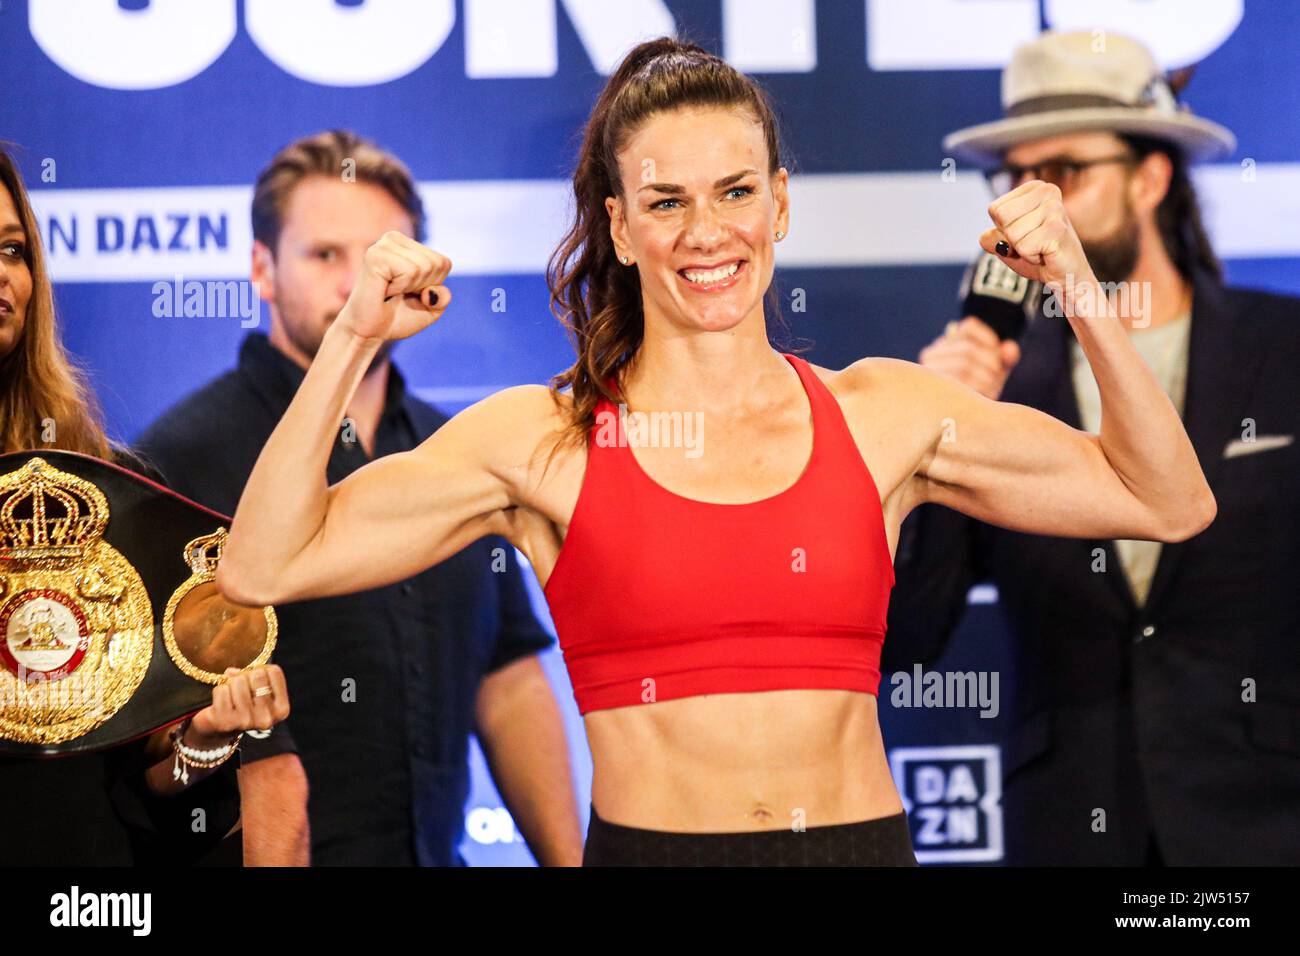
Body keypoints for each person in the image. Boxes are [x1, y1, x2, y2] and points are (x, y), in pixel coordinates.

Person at [215, 37, 1215, 867]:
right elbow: (267, 561)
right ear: (617, 222)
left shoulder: (885, 414)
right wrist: (350, 338)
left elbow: (1166, 498)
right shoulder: (541, 439)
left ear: (778, 203)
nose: (706, 233)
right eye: (665, 201)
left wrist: (1075, 285)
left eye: (734, 191)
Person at [885, 30, 1300, 865]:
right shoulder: (994, 382)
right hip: (1070, 822)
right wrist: (924, 456)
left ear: (1151, 176)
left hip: (1268, 819)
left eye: (1066, 173)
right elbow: (910, 636)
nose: (1035, 205)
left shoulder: (1285, 348)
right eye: (1017, 179)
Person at [137, 130, 582, 867]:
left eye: (380, 256)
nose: (357, 284)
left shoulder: (464, 452)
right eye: (325, 255)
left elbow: (506, 678)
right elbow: (144, 740)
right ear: (261, 268)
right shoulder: (173, 461)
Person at [0, 144, 291, 866]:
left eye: (10, 249)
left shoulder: (106, 490)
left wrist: (208, 738)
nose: (0, 274)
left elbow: (152, 780)